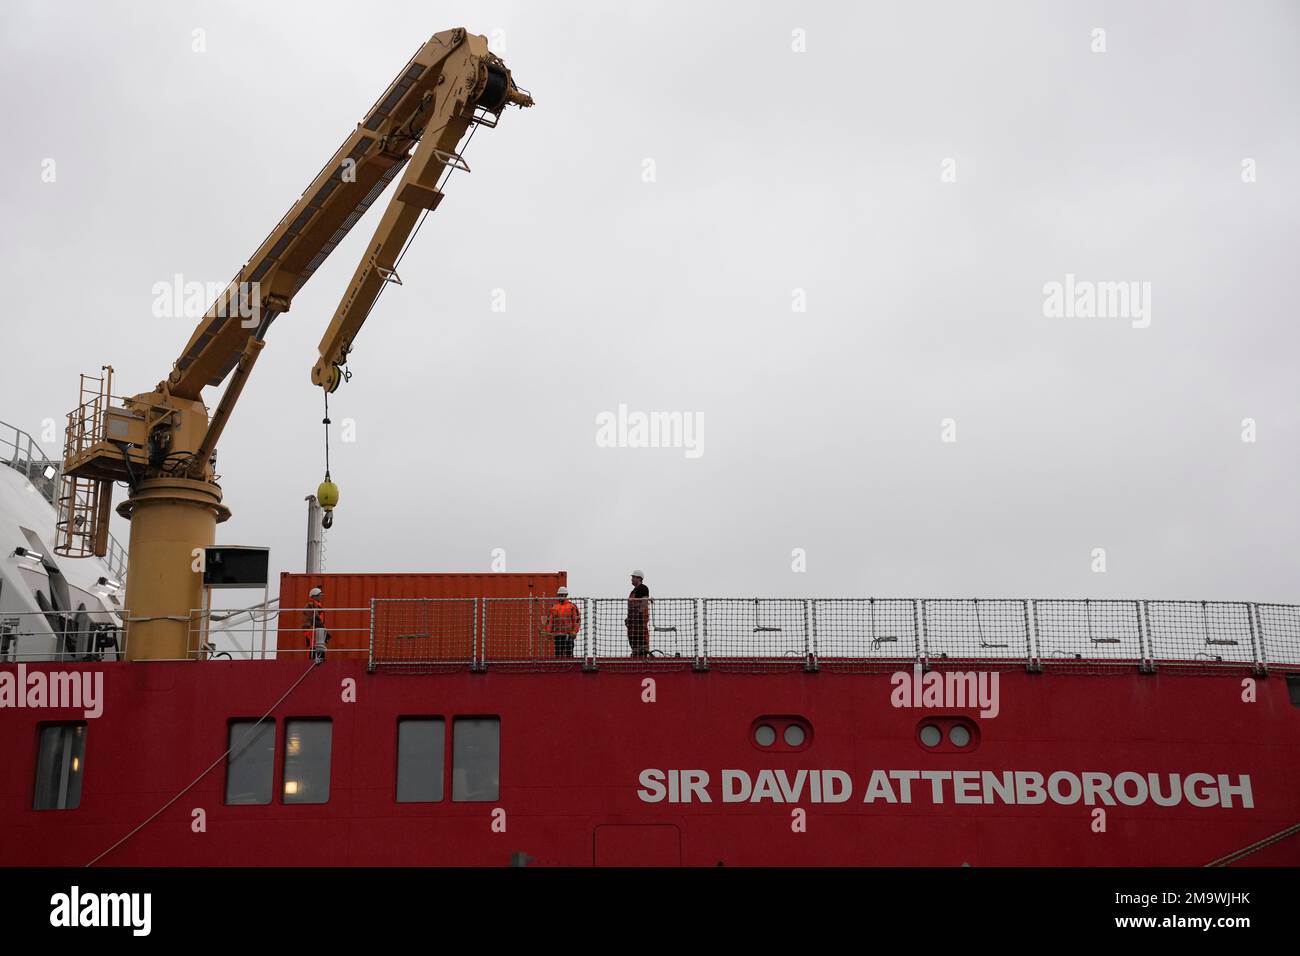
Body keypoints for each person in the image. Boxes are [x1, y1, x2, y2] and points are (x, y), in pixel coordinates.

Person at [546, 586, 581, 658]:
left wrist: (574, 631)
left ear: (566, 595)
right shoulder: (554, 607)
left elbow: (576, 620)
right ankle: (558, 667)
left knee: (569, 652)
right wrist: (548, 632)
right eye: (560, 595)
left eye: (562, 595)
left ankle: (570, 666)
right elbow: (550, 620)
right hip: (558, 635)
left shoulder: (572, 606)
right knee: (558, 653)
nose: (561, 596)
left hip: (569, 634)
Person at [626, 570, 651, 657]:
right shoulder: (634, 590)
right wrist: (628, 618)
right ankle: (635, 651)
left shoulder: (643, 588)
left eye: (633, 577)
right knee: (633, 634)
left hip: (639, 616)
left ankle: (643, 651)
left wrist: (640, 614)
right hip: (632, 618)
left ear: (639, 578)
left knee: (641, 633)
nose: (631, 579)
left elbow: (644, 602)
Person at [305, 586, 330, 662]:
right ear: (314, 596)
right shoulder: (311, 605)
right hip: (313, 629)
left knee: (319, 644)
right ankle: (313, 660)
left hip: (318, 629)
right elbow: (314, 619)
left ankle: (320, 658)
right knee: (313, 645)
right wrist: (324, 629)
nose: (321, 597)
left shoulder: (317, 605)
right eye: (319, 595)